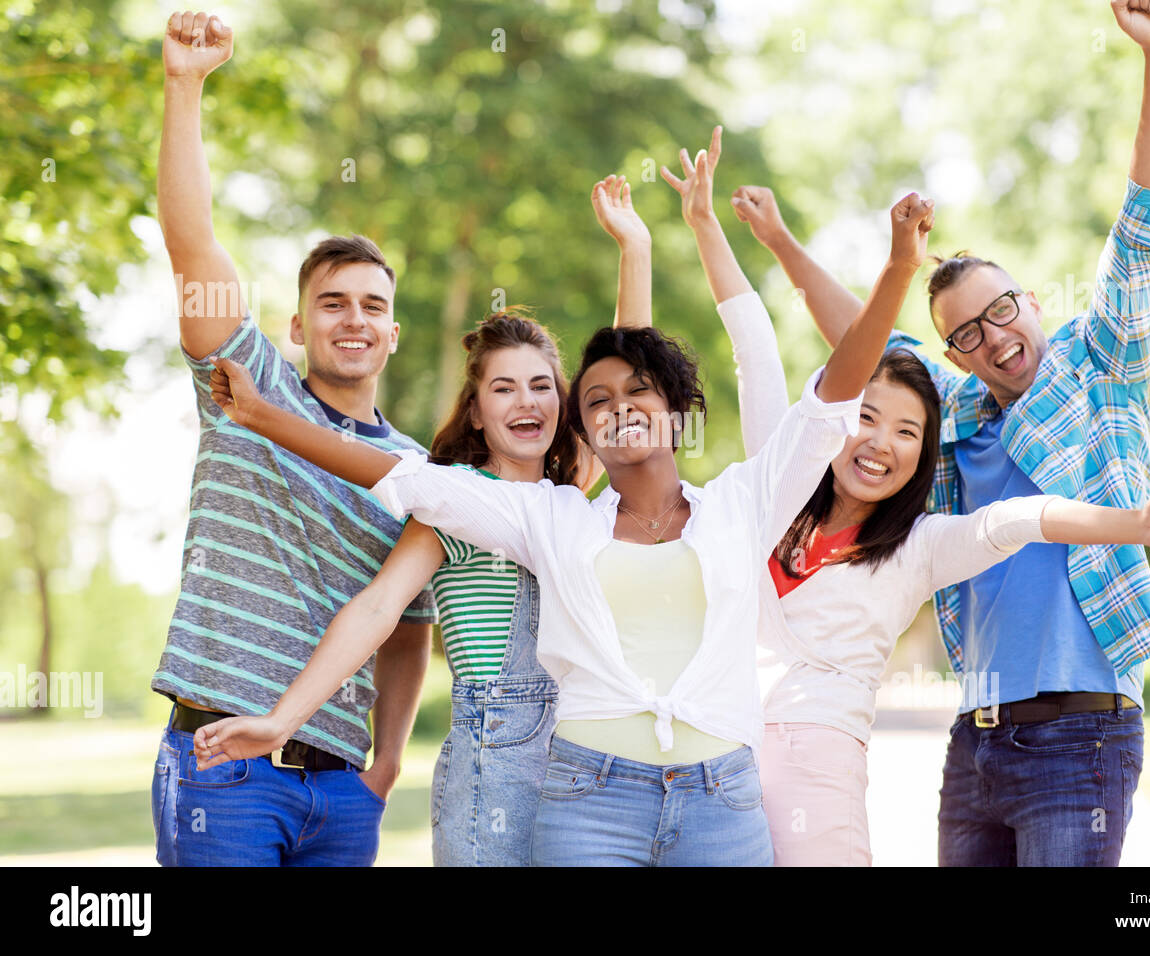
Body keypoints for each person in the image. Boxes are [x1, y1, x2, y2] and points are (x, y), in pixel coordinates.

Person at [195, 128, 932, 866]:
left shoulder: (730, 503)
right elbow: (398, 489)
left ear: (672, 412)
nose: (619, 407)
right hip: (575, 788)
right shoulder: (543, 515)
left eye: (549, 388)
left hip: (717, 795)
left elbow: (825, 395)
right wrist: (263, 416)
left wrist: (896, 268)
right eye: (597, 401)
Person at [730, 0, 1150, 865]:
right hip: (975, 743)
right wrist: (783, 241)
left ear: (1032, 302)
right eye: (967, 333)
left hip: (1080, 733)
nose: (994, 336)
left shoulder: (1105, 371)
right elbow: (865, 341)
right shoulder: (959, 411)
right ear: (956, 351)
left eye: (1002, 309)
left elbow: (1145, 231)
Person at [176, 175, 652, 866]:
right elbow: (376, 610)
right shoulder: (444, 502)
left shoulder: (569, 493)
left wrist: (633, 247)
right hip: (491, 770)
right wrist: (285, 719)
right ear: (479, 408)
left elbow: (626, 370)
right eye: (503, 387)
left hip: (586, 759)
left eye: (544, 386)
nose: (527, 401)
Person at [150, 11, 435, 866]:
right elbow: (190, 242)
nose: (355, 319)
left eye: (373, 306)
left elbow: (408, 628)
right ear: (298, 327)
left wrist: (384, 764)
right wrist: (185, 86)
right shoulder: (245, 387)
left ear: (393, 335)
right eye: (333, 303)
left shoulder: (418, 471)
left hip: (342, 790)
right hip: (220, 771)